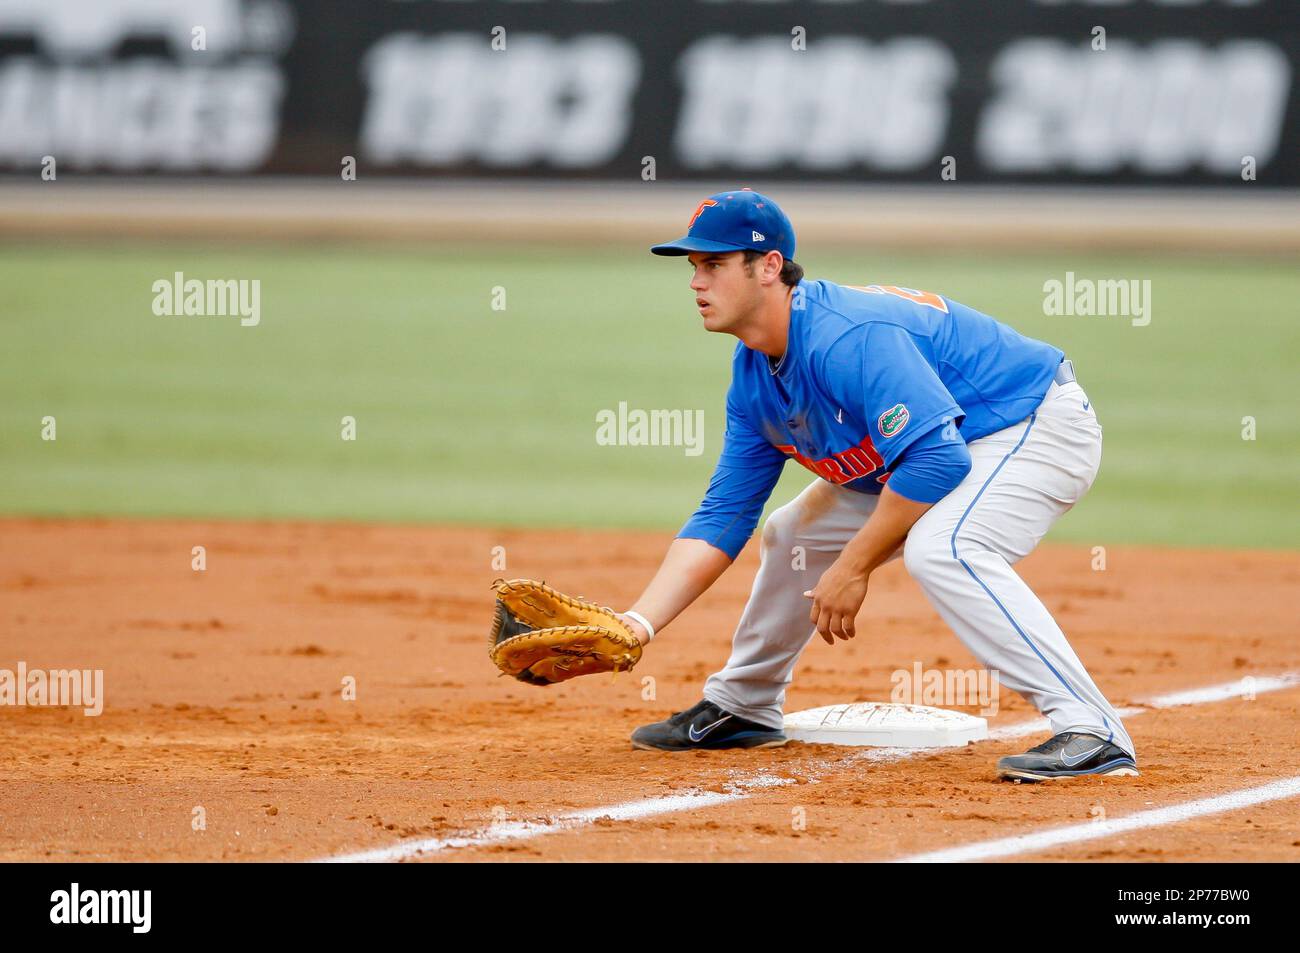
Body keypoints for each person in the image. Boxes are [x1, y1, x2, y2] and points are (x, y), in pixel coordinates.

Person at [614, 188, 1137, 782]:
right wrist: (638, 623)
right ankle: (744, 706)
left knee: (946, 547)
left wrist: (853, 565)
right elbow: (724, 515)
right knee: (792, 533)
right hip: (938, 442)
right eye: (693, 267)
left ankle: (1094, 729)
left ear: (768, 267)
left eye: (713, 264)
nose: (695, 282)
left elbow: (938, 462)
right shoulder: (754, 375)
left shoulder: (847, 337)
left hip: (1027, 423)